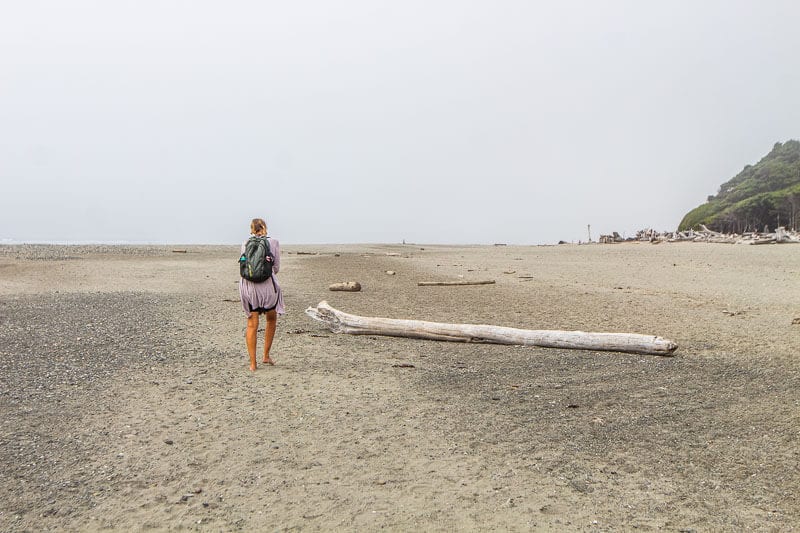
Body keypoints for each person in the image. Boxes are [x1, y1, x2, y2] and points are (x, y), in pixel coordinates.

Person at [239, 218, 285, 371]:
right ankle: (266, 355)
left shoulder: (245, 243)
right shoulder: (274, 242)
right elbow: (276, 267)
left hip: (249, 287)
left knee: (252, 323)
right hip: (267, 287)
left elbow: (244, 266)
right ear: (265, 227)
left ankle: (253, 364)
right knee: (271, 319)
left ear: (252, 229)